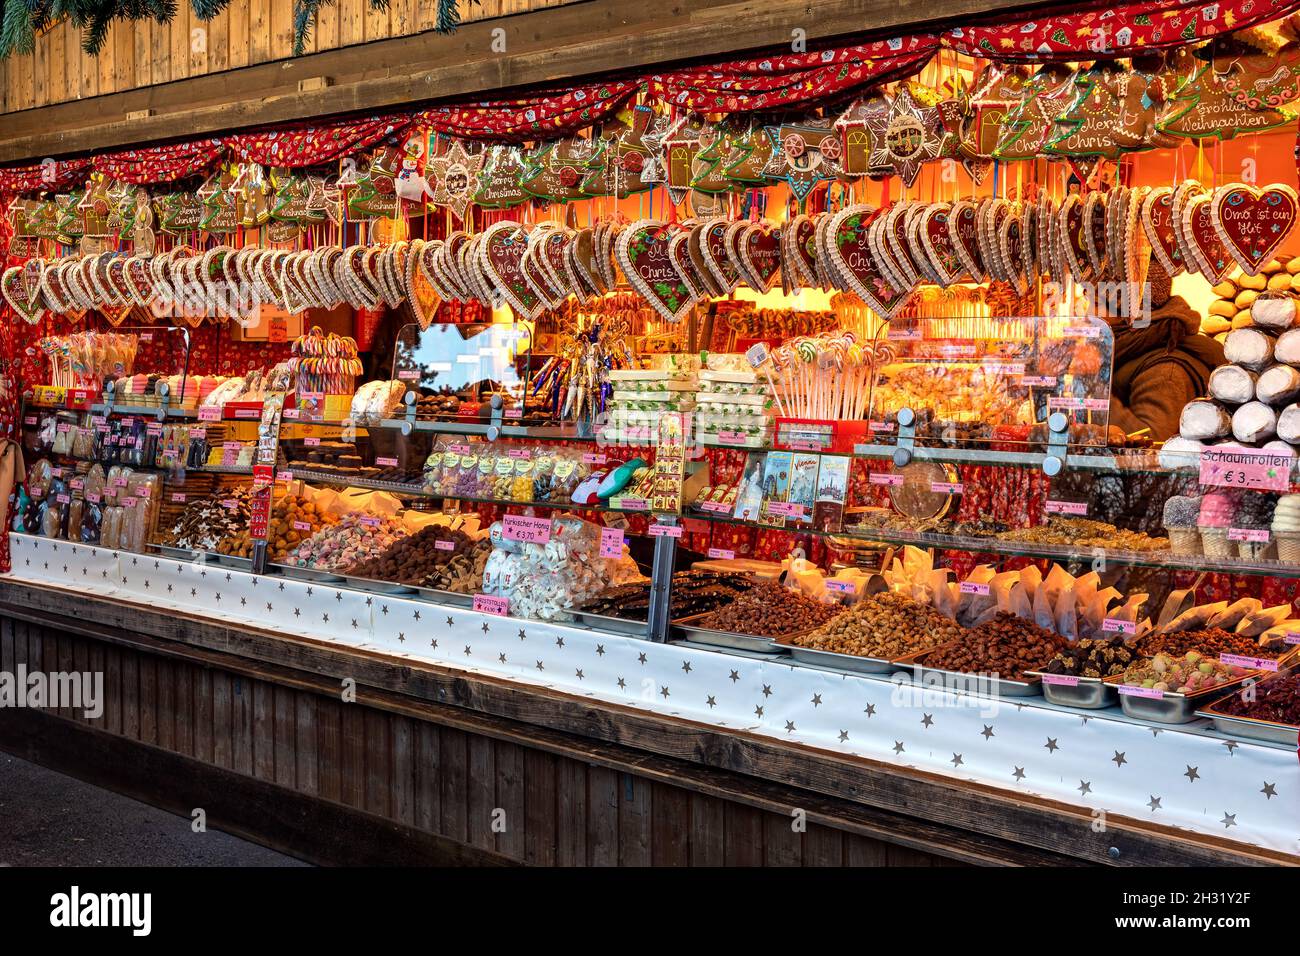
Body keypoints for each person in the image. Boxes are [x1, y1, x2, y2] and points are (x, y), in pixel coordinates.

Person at [1104, 265, 1225, 442]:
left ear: (1129, 314)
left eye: (1096, 303)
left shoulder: (1166, 372)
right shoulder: (1128, 352)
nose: (1083, 312)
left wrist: (1091, 387)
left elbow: (1152, 443)